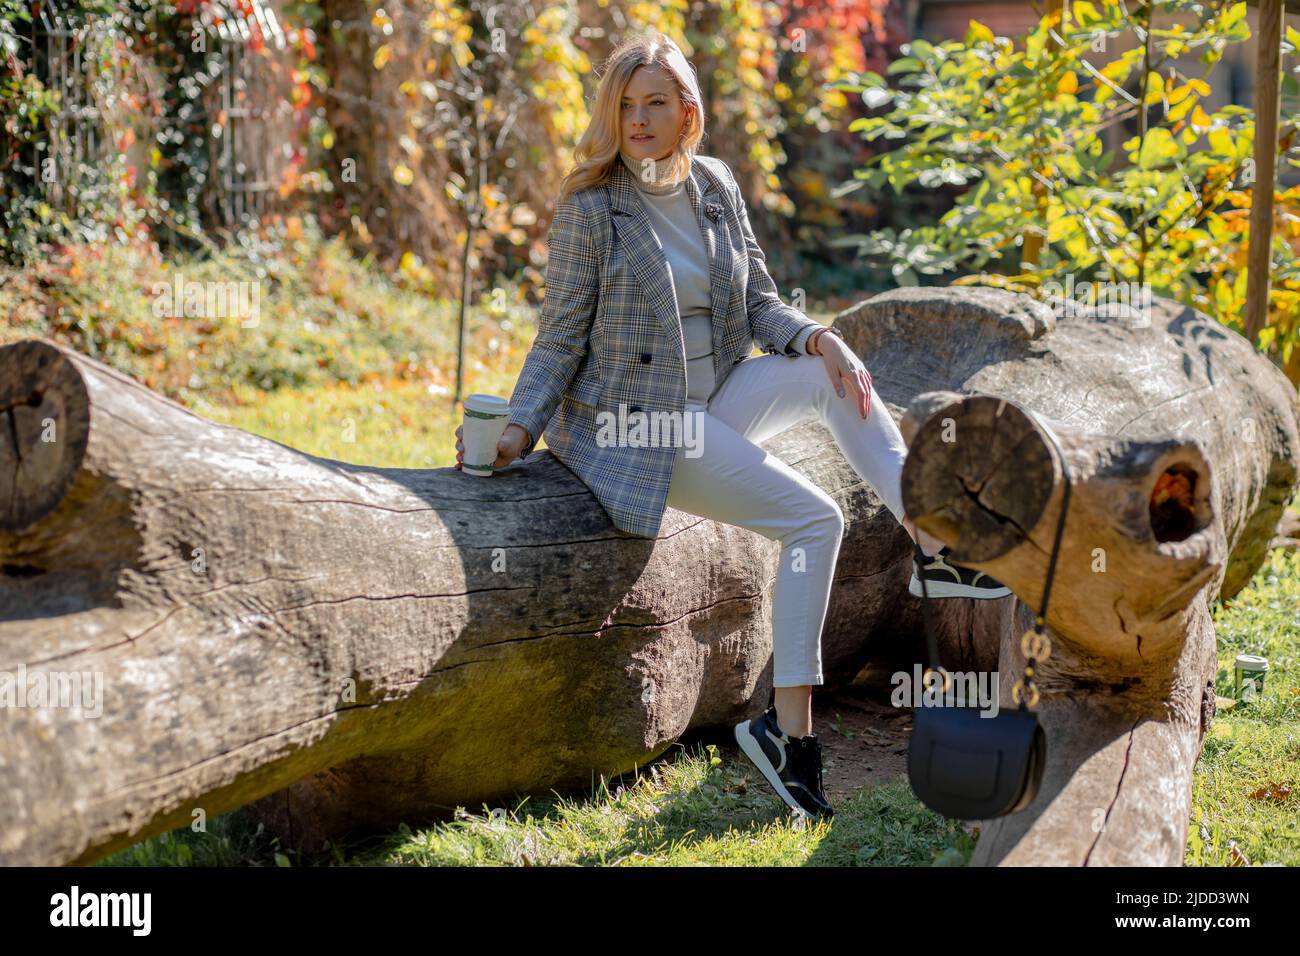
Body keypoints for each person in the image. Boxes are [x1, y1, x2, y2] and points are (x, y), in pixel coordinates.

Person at [454, 31, 1009, 822]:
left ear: (687, 114)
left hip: (718, 398)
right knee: (815, 519)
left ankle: (928, 537)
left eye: (655, 104)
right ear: (611, 113)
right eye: (626, 104)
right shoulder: (592, 211)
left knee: (828, 375)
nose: (638, 119)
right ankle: (792, 735)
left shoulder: (713, 185)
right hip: (641, 425)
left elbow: (760, 306)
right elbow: (558, 338)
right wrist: (517, 428)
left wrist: (824, 337)